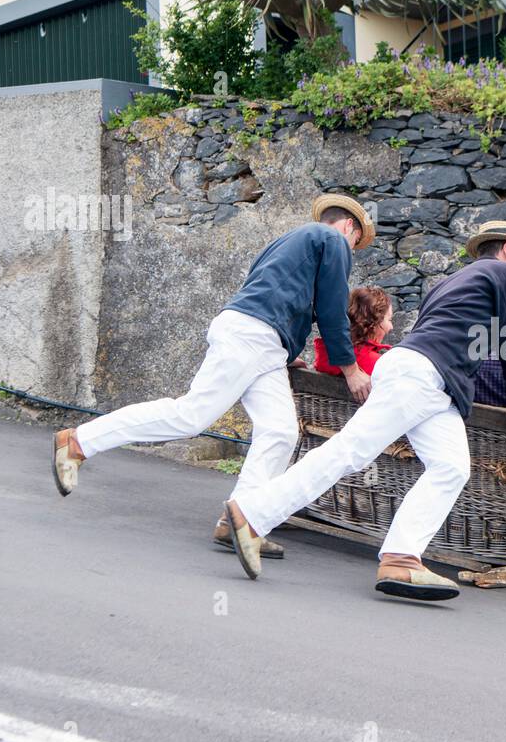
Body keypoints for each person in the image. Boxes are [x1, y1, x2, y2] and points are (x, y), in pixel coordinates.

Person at [221, 220, 506, 602]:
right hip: (423, 377)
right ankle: (252, 514)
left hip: (429, 381)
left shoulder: (451, 283)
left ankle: (401, 558)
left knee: (451, 467)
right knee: (350, 451)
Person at [50, 194, 376, 560]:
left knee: (280, 431)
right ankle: (78, 441)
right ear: (350, 227)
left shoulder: (289, 241)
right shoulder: (333, 240)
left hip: (261, 342)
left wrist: (286, 353)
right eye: (356, 242)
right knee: (191, 414)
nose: (352, 251)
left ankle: (240, 519)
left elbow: (277, 295)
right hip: (254, 337)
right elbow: (332, 310)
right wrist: (351, 370)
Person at [309, 286, 392, 377]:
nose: (391, 327)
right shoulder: (381, 365)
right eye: (389, 320)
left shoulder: (325, 355)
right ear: (374, 324)